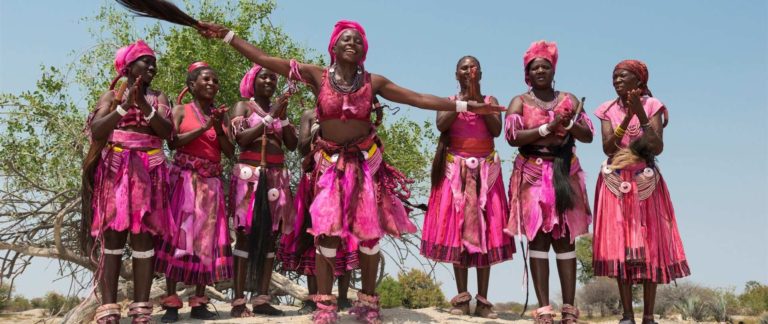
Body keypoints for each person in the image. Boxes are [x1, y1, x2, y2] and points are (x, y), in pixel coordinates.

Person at [196, 19, 502, 324]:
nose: (352, 43)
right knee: (326, 234)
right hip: (329, 165)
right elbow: (264, 59)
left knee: (369, 237)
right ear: (333, 47)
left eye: (357, 40)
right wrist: (229, 36)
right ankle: (325, 305)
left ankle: (368, 303)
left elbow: (417, 98)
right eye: (345, 39)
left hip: (364, 165)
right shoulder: (316, 75)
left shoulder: (373, 82)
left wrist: (467, 108)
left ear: (364, 49)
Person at [83, 39, 173, 323]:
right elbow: (97, 130)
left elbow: (167, 131)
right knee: (113, 237)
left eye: (153, 63)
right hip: (117, 170)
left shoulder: (158, 98)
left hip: (149, 171)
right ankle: (109, 310)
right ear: (128, 66)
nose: (152, 67)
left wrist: (143, 106)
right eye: (146, 61)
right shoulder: (111, 96)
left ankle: (141, 310)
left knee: (144, 237)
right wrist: (122, 108)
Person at [592, 60, 689, 324]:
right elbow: (608, 148)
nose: (616, 81)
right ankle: (626, 316)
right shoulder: (606, 109)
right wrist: (626, 116)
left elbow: (656, 147)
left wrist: (641, 114)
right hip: (615, 183)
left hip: (645, 183)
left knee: (650, 246)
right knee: (621, 248)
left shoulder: (653, 106)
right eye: (614, 77)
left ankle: (648, 316)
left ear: (638, 79)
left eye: (622, 76)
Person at [504, 40, 593, 324]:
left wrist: (567, 123)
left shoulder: (570, 99)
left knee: (565, 241)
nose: (540, 70)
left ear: (553, 71)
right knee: (538, 238)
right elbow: (512, 138)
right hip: (532, 174)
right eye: (534, 68)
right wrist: (546, 127)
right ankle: (544, 309)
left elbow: (588, 136)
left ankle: (569, 308)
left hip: (564, 172)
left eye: (545, 66)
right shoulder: (520, 101)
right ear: (527, 74)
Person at [420, 55, 514, 319]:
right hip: (455, 173)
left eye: (473, 68)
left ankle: (483, 301)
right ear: (456, 74)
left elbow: (496, 130)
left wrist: (478, 102)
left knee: (487, 232)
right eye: (464, 68)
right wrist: (465, 103)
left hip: (486, 173)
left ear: (481, 74)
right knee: (457, 232)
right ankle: (462, 298)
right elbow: (441, 124)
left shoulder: (490, 101)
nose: (468, 71)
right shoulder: (449, 102)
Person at [155, 62, 234, 322]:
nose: (212, 84)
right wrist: (204, 127)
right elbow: (173, 142)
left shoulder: (219, 115)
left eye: (215, 81)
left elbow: (229, 151)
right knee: (180, 237)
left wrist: (219, 126)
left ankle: (199, 302)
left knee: (206, 241)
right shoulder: (180, 110)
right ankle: (171, 303)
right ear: (191, 86)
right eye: (206, 80)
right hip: (185, 182)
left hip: (210, 183)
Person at [228, 64, 298, 317]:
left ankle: (261, 298)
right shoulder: (242, 107)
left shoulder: (279, 110)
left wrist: (284, 116)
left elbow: (292, 144)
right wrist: (270, 117)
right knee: (245, 235)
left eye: (273, 77)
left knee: (270, 236)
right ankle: (237, 301)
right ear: (252, 80)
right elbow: (242, 139)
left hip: (276, 178)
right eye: (264, 76)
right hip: (250, 176)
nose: (269, 80)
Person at [277, 108, 356, 314]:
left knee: (345, 236)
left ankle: (344, 297)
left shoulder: (352, 110)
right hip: (315, 180)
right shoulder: (309, 115)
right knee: (312, 236)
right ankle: (314, 298)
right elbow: (303, 149)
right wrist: (320, 129)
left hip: (345, 177)